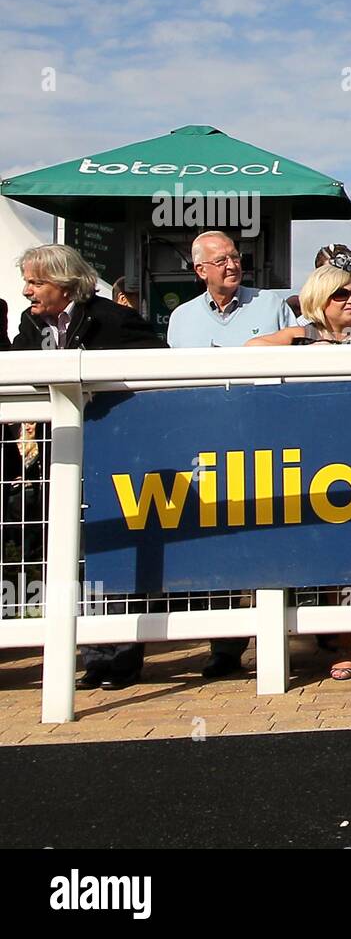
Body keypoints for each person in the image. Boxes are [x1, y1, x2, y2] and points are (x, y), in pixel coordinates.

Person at [11, 245, 165, 691]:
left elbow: (161, 363)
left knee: (116, 551)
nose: (27, 292)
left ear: (63, 282)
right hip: (61, 454)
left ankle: (121, 659)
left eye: (35, 283)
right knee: (74, 555)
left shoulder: (112, 318)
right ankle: (92, 656)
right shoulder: (31, 324)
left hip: (117, 453)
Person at [247, 264, 351, 679]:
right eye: (340, 294)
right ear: (320, 300)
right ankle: (345, 643)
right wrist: (309, 353)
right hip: (323, 459)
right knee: (339, 556)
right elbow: (252, 347)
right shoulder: (301, 336)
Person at [166, 231, 296, 679]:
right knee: (217, 544)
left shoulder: (271, 305)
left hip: (266, 440)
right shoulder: (181, 319)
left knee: (269, 538)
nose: (232, 265)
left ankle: (279, 640)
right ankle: (224, 646)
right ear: (200, 269)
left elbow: (292, 372)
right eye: (221, 260)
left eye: (235, 258)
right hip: (207, 444)